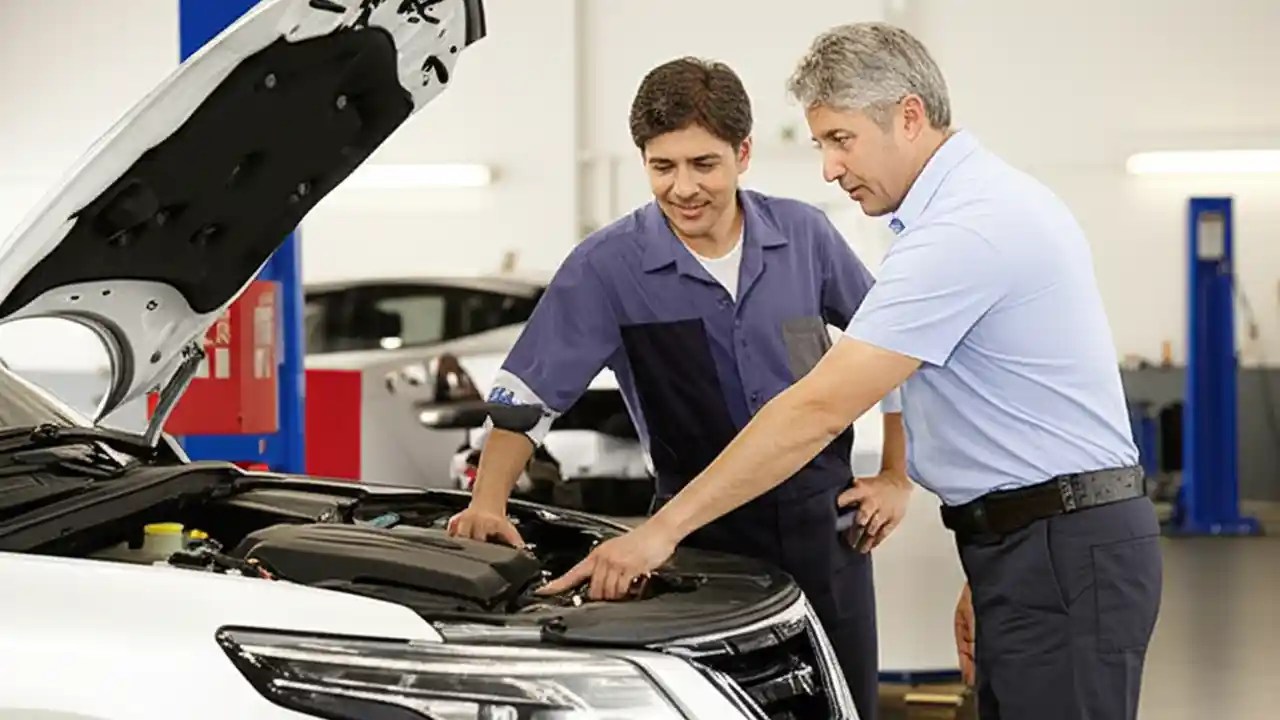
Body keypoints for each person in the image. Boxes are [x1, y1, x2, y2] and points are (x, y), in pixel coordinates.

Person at [538, 22, 1164, 720]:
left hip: (1058, 546)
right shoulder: (971, 210)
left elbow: (815, 410)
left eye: (841, 140)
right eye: (822, 145)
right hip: (1037, 543)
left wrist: (661, 530)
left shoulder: (964, 230)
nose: (830, 168)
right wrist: (996, 564)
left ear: (908, 115)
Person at [447, 56, 910, 720]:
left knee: (842, 707)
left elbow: (896, 349)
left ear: (743, 153)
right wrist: (489, 501)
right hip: (699, 541)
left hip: (827, 530)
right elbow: (527, 397)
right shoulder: (609, 267)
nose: (684, 188)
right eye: (663, 167)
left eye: (703, 165)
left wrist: (897, 473)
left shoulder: (804, 236)